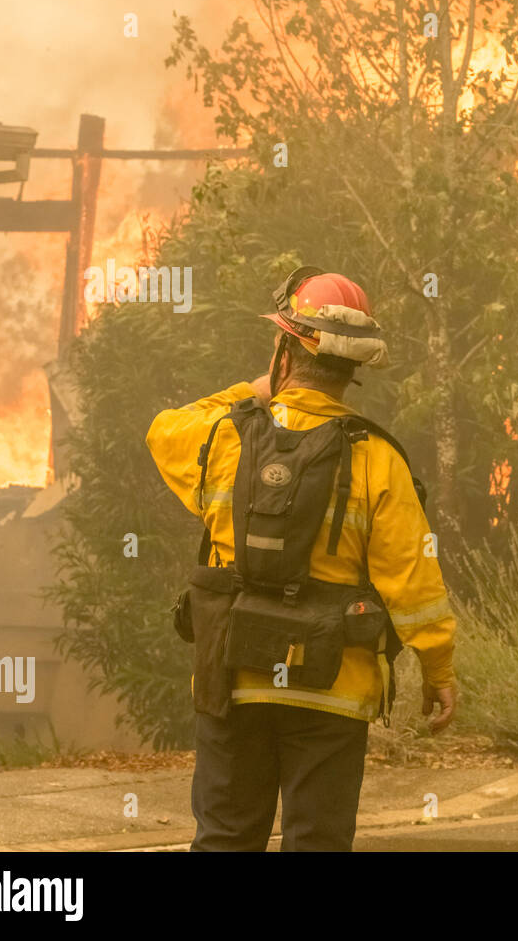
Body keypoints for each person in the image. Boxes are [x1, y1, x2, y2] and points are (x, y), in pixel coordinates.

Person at [146, 266, 457, 851]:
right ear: (354, 367)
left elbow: (163, 431)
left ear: (285, 349)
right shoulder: (379, 458)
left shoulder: (224, 437)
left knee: (225, 840)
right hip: (331, 689)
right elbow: (414, 584)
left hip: (231, 678)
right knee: (317, 842)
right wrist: (438, 671)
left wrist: (258, 388)